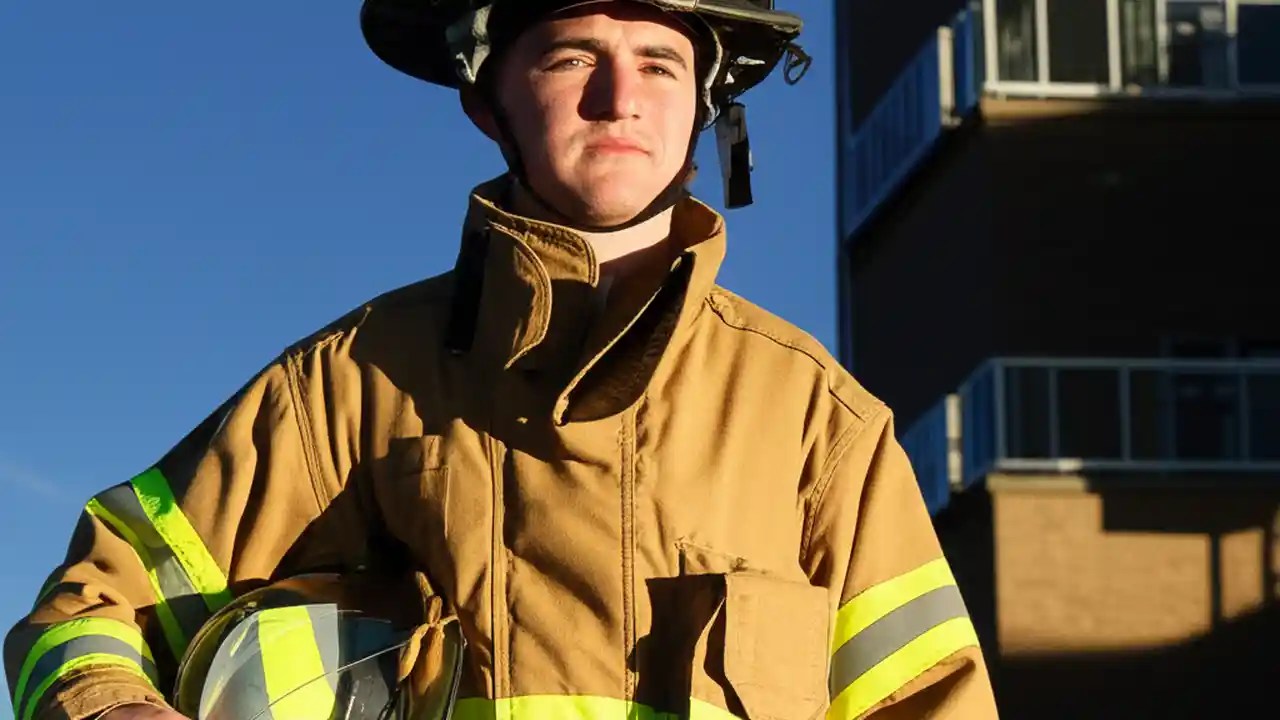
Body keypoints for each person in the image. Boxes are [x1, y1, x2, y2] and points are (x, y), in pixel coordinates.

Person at [4, 1, 1000, 718]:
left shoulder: (814, 420)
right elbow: (93, 605)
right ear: (487, 103)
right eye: (570, 57)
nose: (619, 97)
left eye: (659, 62)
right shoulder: (347, 387)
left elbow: (927, 701)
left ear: (702, 109)